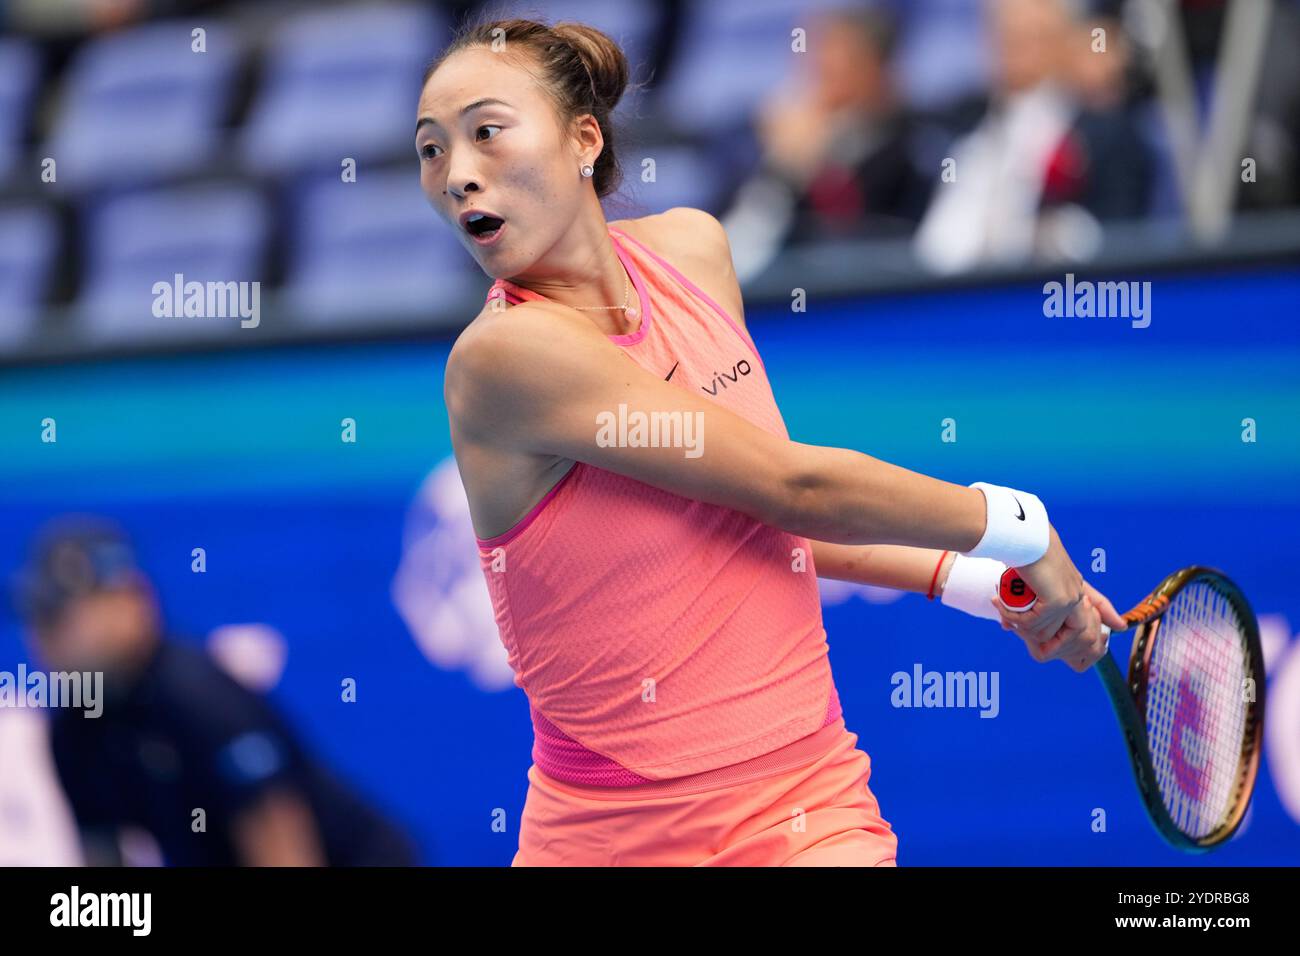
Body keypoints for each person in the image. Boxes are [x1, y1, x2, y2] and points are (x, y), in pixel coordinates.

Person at [420, 16, 1126, 866]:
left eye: (486, 132)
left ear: (583, 139)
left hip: (805, 803)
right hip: (609, 839)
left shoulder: (693, 250)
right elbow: (797, 486)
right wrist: (1017, 525)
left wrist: (982, 583)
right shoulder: (502, 359)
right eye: (431, 150)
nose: (457, 174)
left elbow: (765, 519)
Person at [12, 515, 419, 866]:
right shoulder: (71, 730)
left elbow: (280, 841)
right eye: (36, 618)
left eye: (57, 616)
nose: (41, 637)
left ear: (131, 603)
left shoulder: (197, 695)